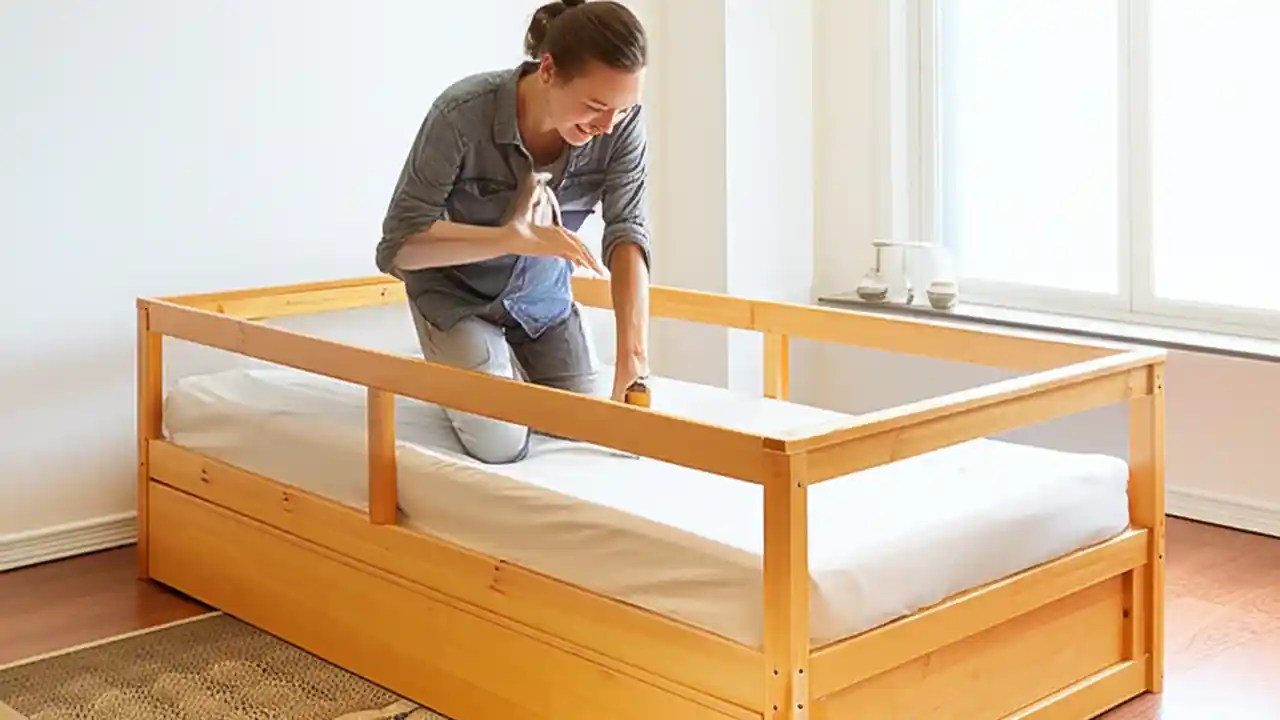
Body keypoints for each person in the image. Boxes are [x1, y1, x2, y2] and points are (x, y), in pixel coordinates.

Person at [376, 0, 651, 464]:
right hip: (456, 297)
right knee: (502, 445)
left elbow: (627, 231)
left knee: (585, 425)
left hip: (541, 299)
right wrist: (507, 238)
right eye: (596, 107)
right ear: (547, 70)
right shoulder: (461, 114)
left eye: (622, 111)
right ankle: (468, 361)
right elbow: (398, 249)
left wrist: (634, 359)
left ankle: (503, 367)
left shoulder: (619, 126)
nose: (608, 127)